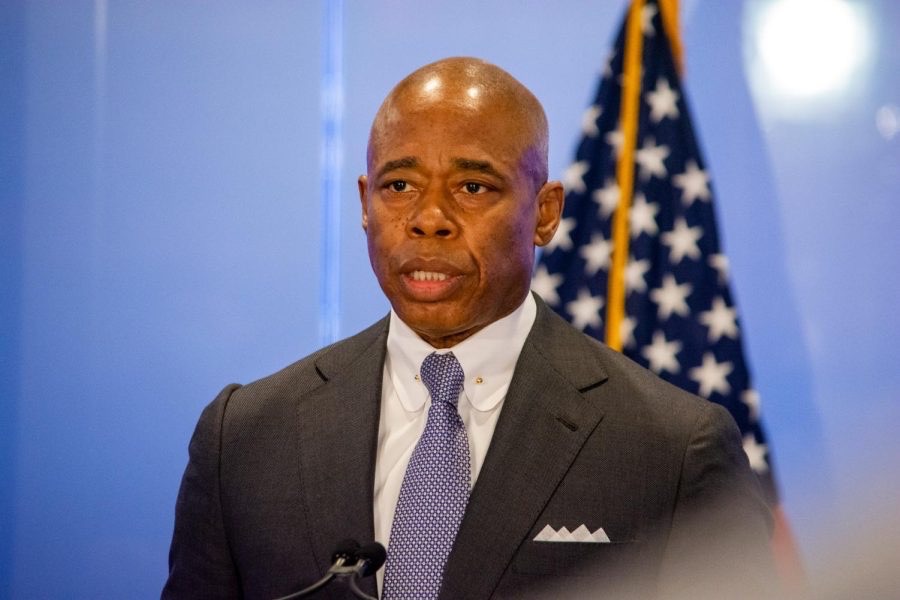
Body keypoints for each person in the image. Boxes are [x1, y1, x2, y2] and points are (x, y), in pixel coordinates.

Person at [163, 57, 775, 600]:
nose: (429, 219)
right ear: (364, 205)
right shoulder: (243, 439)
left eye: (472, 187)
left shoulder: (672, 450)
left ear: (545, 213)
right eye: (398, 185)